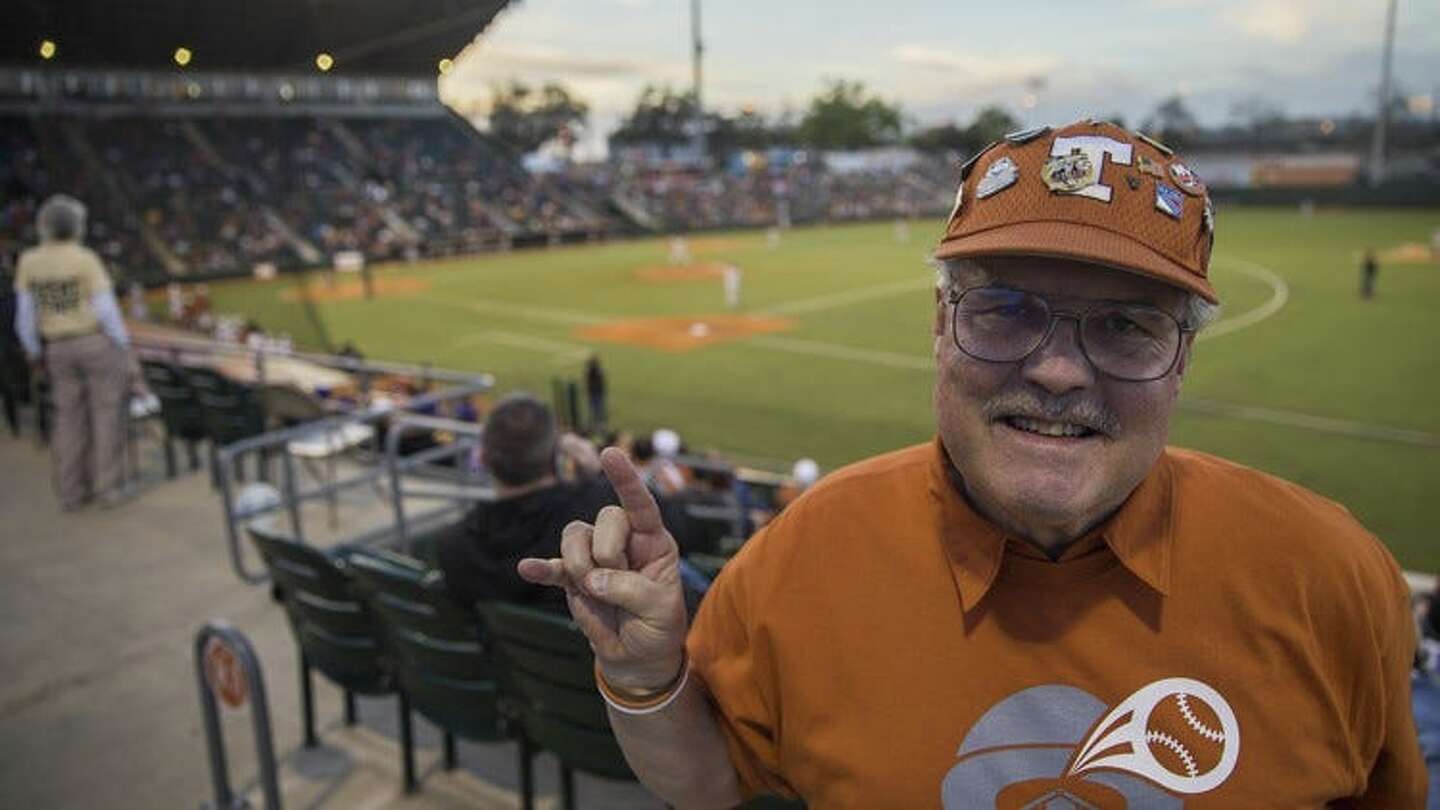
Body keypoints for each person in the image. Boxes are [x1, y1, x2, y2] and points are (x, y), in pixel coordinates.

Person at [517, 121, 1424, 806]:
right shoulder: (808, 552)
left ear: (1181, 359)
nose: (1059, 369)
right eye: (1004, 310)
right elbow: (714, 781)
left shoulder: (1331, 576)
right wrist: (644, 683)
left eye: (1125, 325)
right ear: (940, 323)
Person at [13, 195, 138, 510]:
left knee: (67, 420)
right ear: (75, 227)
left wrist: (32, 350)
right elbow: (106, 309)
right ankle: (107, 488)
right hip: (94, 342)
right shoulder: (84, 259)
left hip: (56, 347)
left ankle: (70, 492)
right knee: (106, 415)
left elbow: (25, 316)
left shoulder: (29, 261)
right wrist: (123, 346)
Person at [584, 353, 608, 431]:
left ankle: (598, 424)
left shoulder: (592, 372)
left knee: (596, 409)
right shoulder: (598, 371)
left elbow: (589, 382)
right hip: (596, 393)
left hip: (595, 393)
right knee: (598, 409)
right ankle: (599, 424)